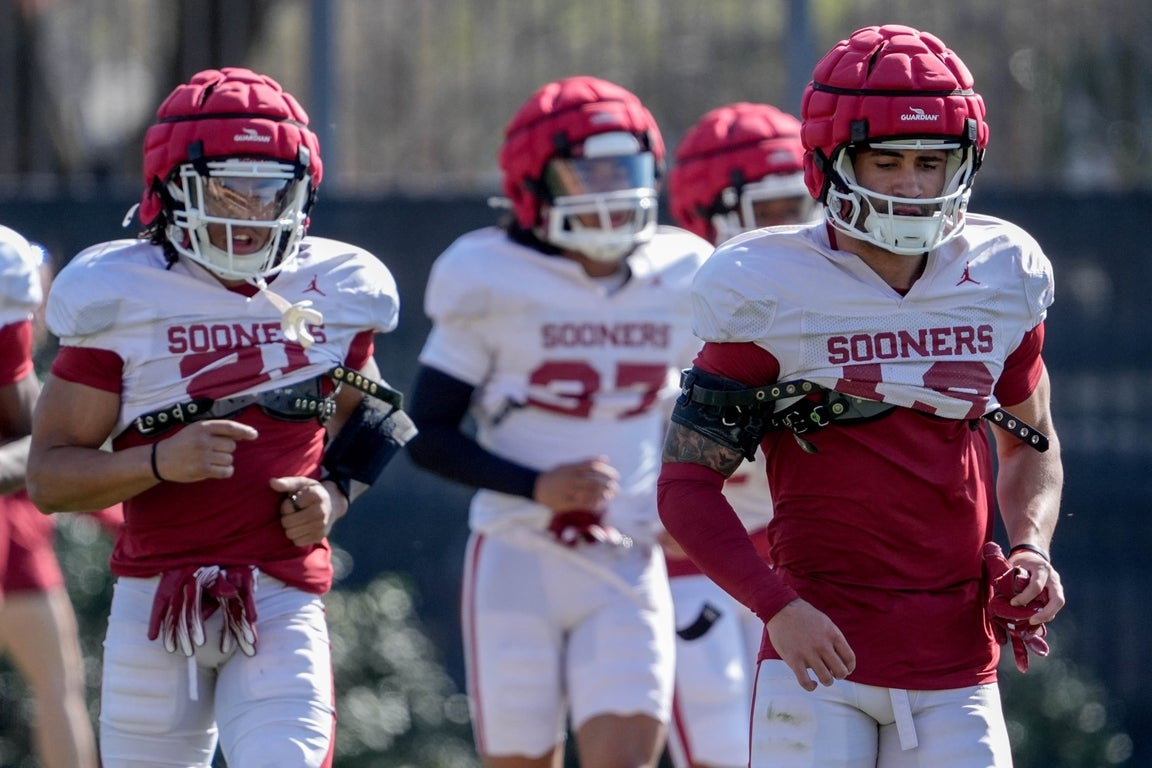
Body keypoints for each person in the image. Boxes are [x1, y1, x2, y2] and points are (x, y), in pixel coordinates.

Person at [657, 24, 1066, 768]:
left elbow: (1031, 443)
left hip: (954, 659)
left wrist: (1032, 547)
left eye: (930, 163)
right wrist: (775, 607)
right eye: (888, 162)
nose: (912, 187)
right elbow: (687, 486)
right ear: (830, 163)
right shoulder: (770, 287)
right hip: (820, 654)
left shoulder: (1001, 276)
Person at [26, 67, 413, 768]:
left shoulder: (331, 287)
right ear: (171, 189)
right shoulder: (121, 291)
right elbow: (49, 477)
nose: (249, 212)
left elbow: (379, 418)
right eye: (228, 189)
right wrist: (154, 463)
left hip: (279, 595)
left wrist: (336, 493)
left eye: (270, 192)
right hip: (155, 598)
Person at [404, 75, 713, 768]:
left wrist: (690, 488)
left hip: (629, 555)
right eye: (587, 173)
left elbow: (720, 408)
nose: (608, 193)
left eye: (623, 172)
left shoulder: (681, 268)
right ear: (532, 186)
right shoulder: (491, 274)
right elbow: (426, 431)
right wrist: (535, 482)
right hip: (519, 553)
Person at [661, 101, 818, 768]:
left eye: (805, 205)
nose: (799, 229)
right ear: (713, 211)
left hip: (809, 560)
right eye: (777, 208)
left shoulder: (836, 293)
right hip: (695, 564)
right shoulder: (672, 297)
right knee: (725, 750)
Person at [0, 240, 119, 768]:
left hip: (21, 548)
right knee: (59, 689)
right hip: (17, 547)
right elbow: (49, 455)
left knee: (59, 688)